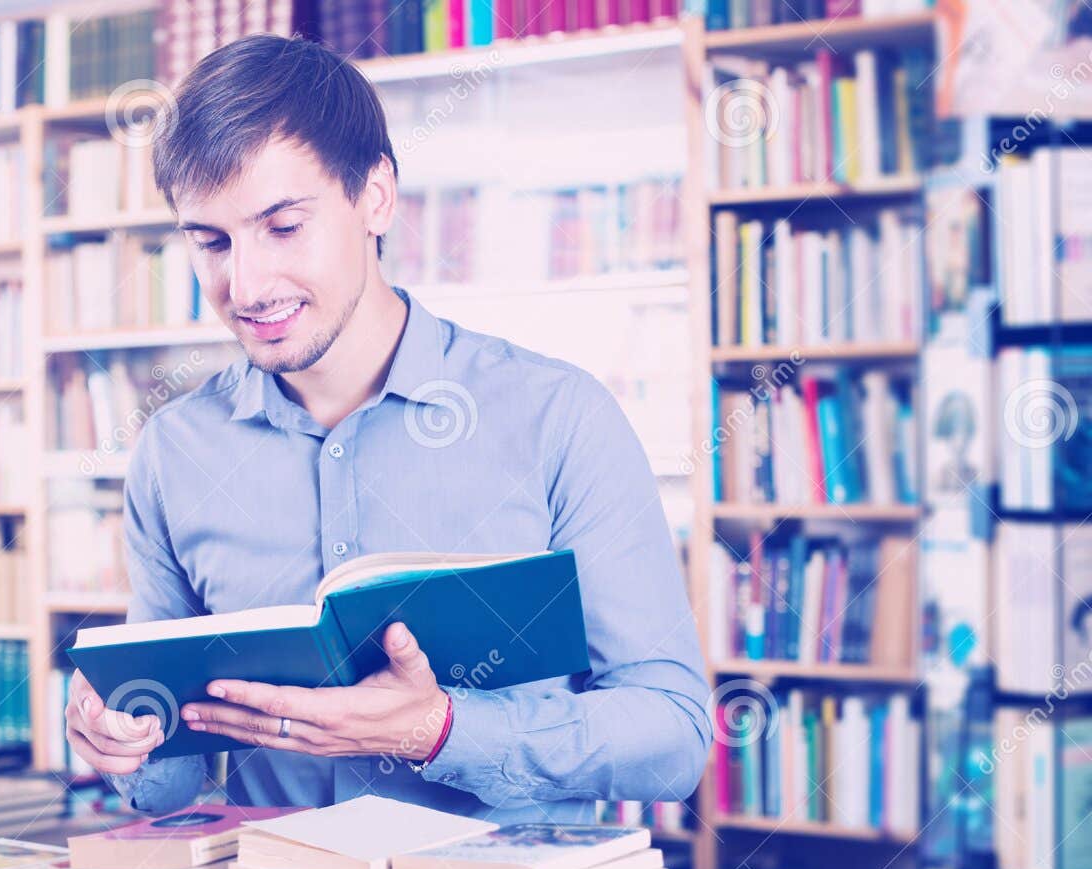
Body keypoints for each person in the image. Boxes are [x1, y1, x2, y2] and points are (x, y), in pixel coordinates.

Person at [64, 34, 711, 823]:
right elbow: (172, 773)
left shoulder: (557, 417)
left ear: (376, 196)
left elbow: (673, 734)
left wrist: (441, 730)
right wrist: (119, 734)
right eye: (211, 241)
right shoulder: (174, 452)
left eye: (283, 226)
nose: (246, 283)